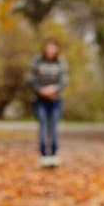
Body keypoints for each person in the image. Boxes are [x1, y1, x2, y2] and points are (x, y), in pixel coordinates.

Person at [26, 38, 68, 167]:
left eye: (53, 47)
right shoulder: (37, 60)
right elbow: (30, 78)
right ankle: (44, 155)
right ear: (44, 48)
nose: (50, 50)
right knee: (43, 125)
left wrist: (54, 90)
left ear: (56, 49)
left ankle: (54, 155)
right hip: (40, 99)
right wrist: (41, 90)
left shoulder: (61, 61)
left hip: (56, 98)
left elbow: (64, 80)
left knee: (53, 126)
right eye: (48, 47)